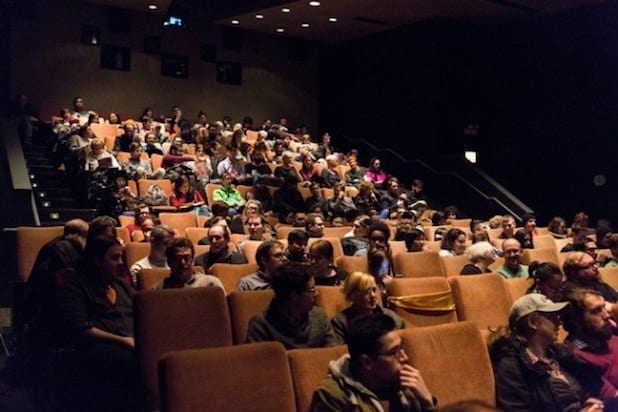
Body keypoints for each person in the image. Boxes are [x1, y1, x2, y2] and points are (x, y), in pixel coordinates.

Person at [56, 237, 143, 412]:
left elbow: (144, 310)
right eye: (115, 258)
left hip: (132, 343)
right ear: (97, 260)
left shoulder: (121, 286)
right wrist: (123, 340)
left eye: (121, 258)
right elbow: (82, 328)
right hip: (99, 347)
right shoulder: (76, 286)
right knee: (129, 362)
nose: (120, 263)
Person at [489, 293, 605, 412]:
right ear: (532, 323)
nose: (559, 321)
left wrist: (589, 401)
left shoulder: (560, 354)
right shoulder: (512, 367)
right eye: (552, 316)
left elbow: (591, 381)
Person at [311, 313, 437, 412]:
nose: (405, 357)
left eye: (402, 348)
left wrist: (428, 403)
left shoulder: (400, 382)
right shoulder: (331, 396)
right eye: (394, 352)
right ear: (367, 362)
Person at [246, 262, 340, 349]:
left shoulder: (319, 316)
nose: (317, 294)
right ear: (294, 295)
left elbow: (332, 355)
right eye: (312, 290)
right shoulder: (261, 325)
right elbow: (257, 364)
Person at [562, 289, 618, 403]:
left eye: (604, 307)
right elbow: (613, 398)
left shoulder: (609, 337)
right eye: (596, 311)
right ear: (577, 320)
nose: (607, 315)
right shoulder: (573, 356)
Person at [331, 272, 405, 343]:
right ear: (352, 295)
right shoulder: (340, 322)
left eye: (374, 290)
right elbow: (340, 351)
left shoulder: (390, 316)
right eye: (366, 291)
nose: (373, 295)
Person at [153, 238, 224, 291]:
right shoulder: (159, 289)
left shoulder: (211, 284)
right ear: (169, 262)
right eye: (177, 258)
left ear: (193, 260)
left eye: (187, 258)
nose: (182, 262)